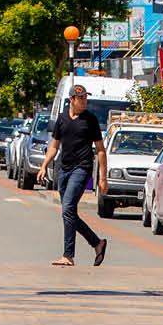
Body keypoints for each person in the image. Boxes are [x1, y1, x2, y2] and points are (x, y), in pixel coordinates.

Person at [35, 85, 110, 267]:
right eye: (81, 98)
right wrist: (44, 166)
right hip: (64, 169)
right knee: (68, 212)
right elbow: (54, 146)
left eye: (85, 98)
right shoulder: (62, 119)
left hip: (82, 169)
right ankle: (97, 243)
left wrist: (102, 177)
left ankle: (68, 255)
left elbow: (100, 150)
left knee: (68, 208)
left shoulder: (90, 120)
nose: (84, 101)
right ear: (72, 100)